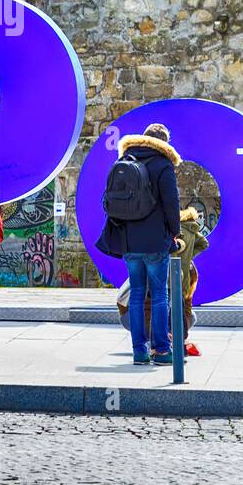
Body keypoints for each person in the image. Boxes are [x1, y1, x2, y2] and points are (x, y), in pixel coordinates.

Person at [97, 123, 182, 365]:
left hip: (129, 241)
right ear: (164, 142)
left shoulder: (125, 160)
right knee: (159, 295)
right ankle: (162, 350)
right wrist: (174, 232)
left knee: (135, 294)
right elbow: (171, 203)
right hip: (156, 241)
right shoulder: (163, 164)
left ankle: (139, 351)